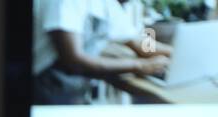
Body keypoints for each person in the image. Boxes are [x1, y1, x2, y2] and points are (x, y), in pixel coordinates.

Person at [33, 0, 170, 105]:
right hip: (42, 86)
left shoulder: (108, 4)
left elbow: (141, 44)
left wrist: (177, 51)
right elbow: (74, 60)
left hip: (71, 88)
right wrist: (140, 66)